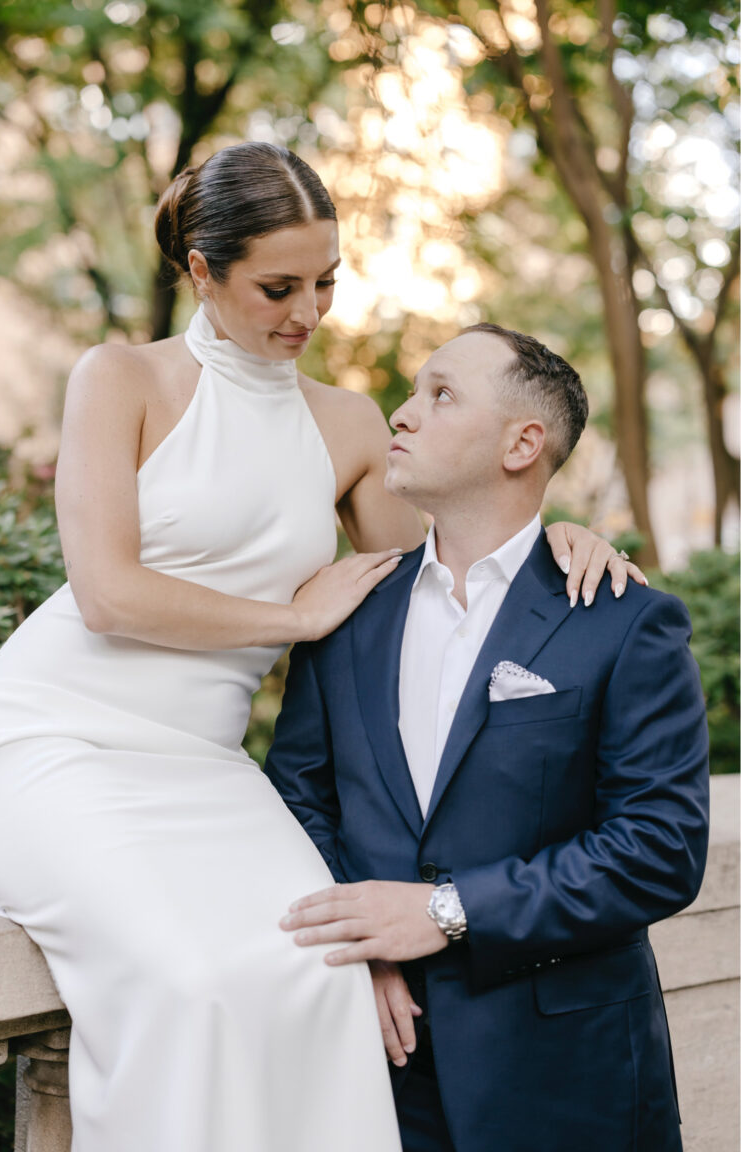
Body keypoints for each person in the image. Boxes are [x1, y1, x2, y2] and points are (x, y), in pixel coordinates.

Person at [0, 144, 638, 1152]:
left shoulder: (348, 424)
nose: (309, 312)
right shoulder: (121, 379)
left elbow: (446, 582)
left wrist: (554, 537)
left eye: (326, 282)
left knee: (327, 978)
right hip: (52, 738)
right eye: (277, 287)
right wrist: (292, 618)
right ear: (202, 270)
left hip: (207, 765)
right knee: (186, 985)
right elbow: (108, 596)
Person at [267, 322, 710, 1152]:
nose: (401, 414)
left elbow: (660, 848)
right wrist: (363, 951)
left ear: (523, 442)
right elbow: (298, 798)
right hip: (374, 1070)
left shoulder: (624, 622)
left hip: (568, 1078)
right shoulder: (344, 613)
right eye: (412, 392)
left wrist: (447, 912)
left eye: (441, 395)